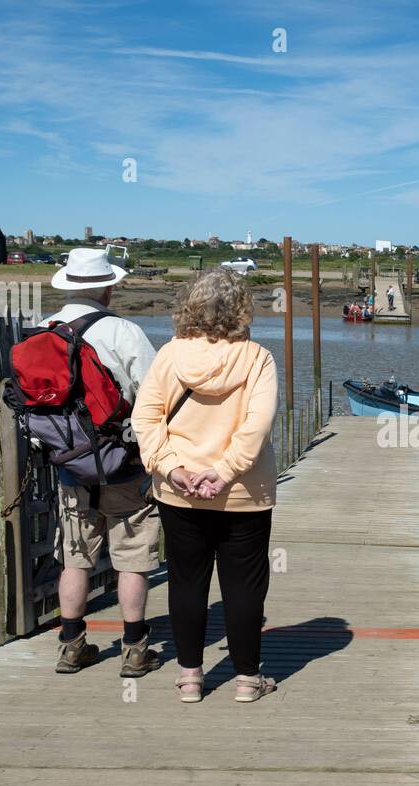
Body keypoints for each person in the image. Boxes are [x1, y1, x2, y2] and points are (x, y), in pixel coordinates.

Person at [132, 268, 278, 704]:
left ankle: (190, 679)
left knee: (186, 583)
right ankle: (249, 681)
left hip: (180, 492)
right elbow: (257, 427)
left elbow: (146, 419)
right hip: (244, 493)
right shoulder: (258, 358)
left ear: (189, 304)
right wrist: (226, 471)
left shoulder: (169, 355)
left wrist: (173, 468)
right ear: (241, 309)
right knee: (245, 587)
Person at [42, 248, 163, 679]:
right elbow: (154, 396)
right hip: (123, 462)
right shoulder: (124, 331)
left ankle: (72, 647)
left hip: (69, 465)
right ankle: (134, 651)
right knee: (131, 558)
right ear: (106, 286)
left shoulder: (42, 331)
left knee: (75, 558)